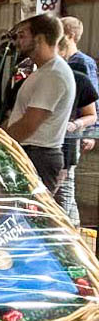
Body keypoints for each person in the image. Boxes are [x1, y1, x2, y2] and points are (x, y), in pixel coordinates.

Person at [4, 14, 75, 195]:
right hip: (29, 152)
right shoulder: (42, 71)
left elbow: (29, 124)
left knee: (31, 215)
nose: (18, 42)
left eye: (22, 36)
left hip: (38, 156)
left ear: (40, 38)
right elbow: (19, 116)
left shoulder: (53, 74)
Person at [56, 35, 97, 224]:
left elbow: (91, 112)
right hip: (50, 144)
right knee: (63, 192)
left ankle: (69, 236)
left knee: (63, 190)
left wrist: (78, 126)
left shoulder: (80, 75)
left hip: (67, 143)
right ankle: (71, 231)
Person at [61, 16, 98, 92]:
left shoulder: (81, 62)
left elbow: (91, 98)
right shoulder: (66, 60)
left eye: (59, 34)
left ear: (70, 36)